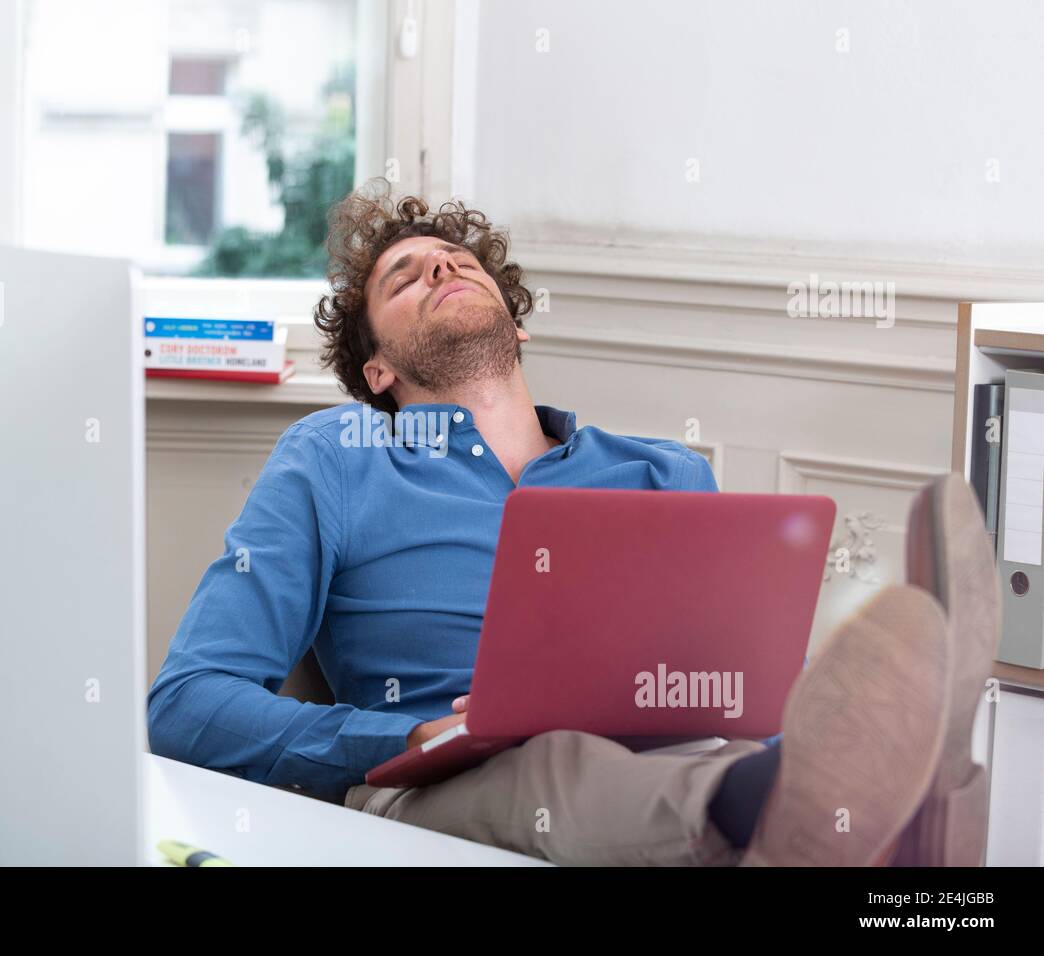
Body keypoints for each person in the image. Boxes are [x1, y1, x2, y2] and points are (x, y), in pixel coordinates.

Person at [147, 180, 999, 866]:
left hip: (677, 756)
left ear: (515, 325)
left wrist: (809, 705)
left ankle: (893, 777)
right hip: (445, 783)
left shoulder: (663, 471)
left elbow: (744, 682)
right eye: (405, 278)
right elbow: (186, 703)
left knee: (752, 747)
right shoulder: (334, 458)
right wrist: (410, 732)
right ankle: (809, 803)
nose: (441, 268)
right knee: (554, 760)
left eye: (458, 263)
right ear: (376, 369)